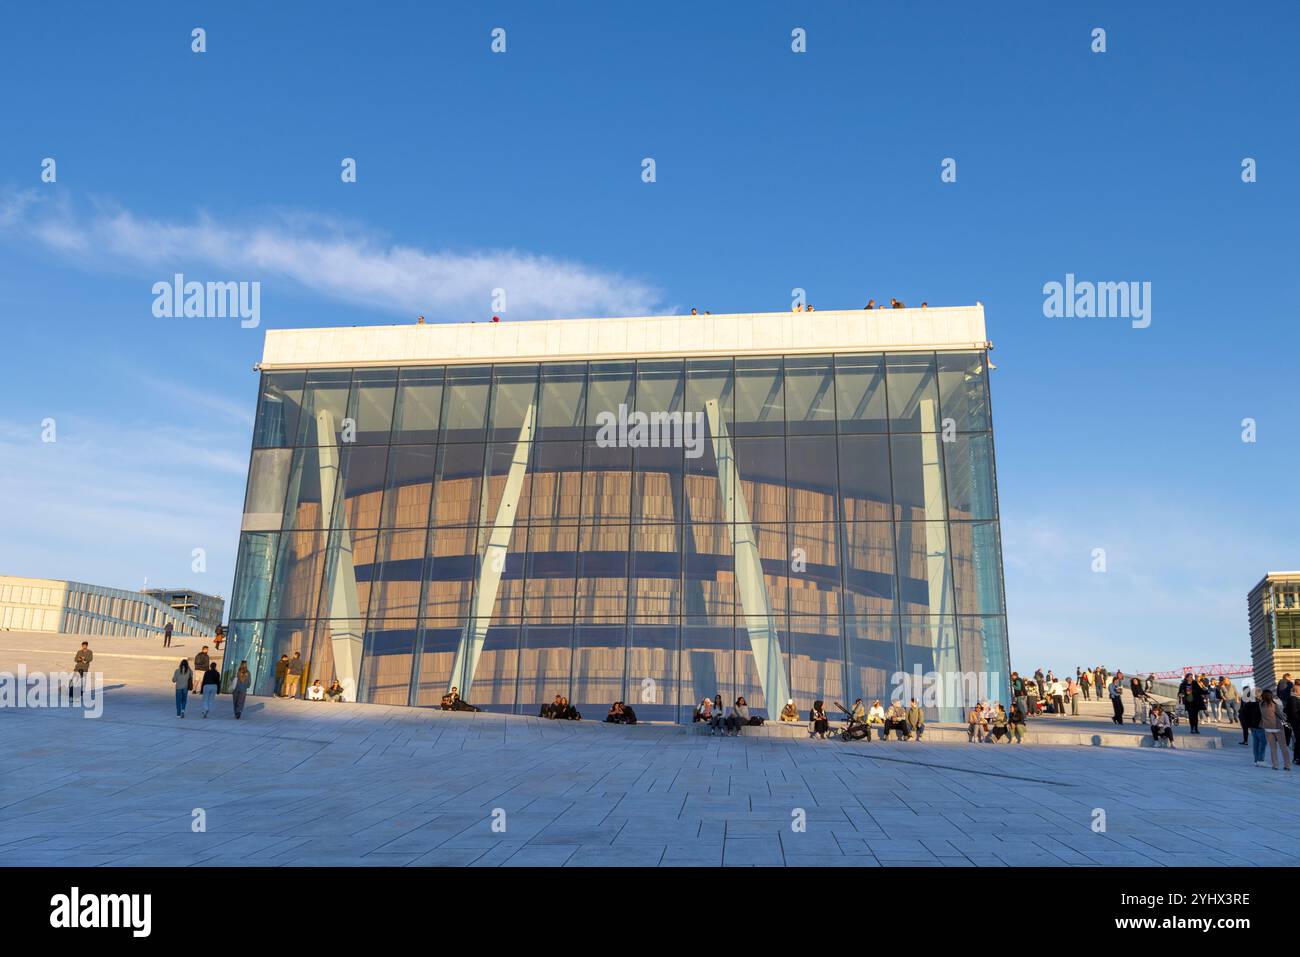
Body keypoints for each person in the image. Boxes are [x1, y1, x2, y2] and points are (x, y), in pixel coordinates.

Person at [1258, 689, 1292, 770]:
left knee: (1273, 748)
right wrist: (1286, 717)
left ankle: (1275, 765)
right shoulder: (1274, 705)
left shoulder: (1260, 704)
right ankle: (1287, 765)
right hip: (1277, 727)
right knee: (1283, 747)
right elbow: (1281, 715)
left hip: (1267, 728)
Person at [1240, 687, 1261, 754]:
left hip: (1247, 716)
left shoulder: (1251, 698)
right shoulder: (1250, 698)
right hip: (1249, 716)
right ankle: (1247, 741)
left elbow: (1242, 707)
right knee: (1249, 729)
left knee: (1246, 729)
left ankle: (1246, 741)